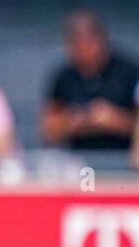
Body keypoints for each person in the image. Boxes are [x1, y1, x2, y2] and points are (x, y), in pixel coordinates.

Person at [41, 10, 138, 152]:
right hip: (79, 163)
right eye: (76, 44)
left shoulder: (128, 72)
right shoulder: (65, 77)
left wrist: (114, 119)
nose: (84, 51)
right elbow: (48, 130)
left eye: (88, 42)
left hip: (124, 161)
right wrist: (75, 121)